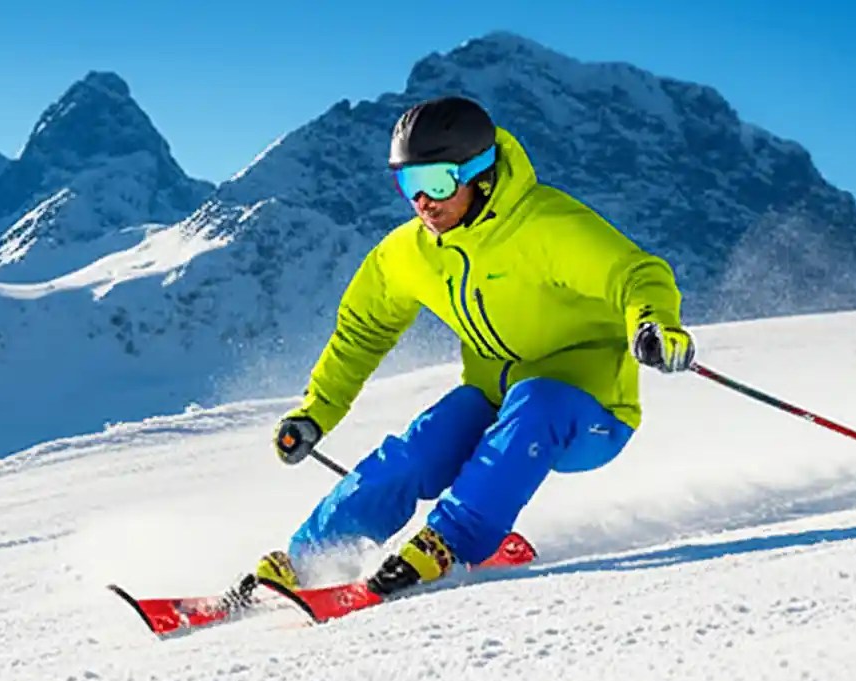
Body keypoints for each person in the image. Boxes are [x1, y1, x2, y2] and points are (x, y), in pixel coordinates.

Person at [247, 96, 694, 599]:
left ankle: (450, 541)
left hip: (589, 412)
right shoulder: (407, 253)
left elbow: (635, 274)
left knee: (537, 401)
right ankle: (313, 558)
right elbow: (361, 332)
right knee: (421, 447)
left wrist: (655, 324)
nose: (423, 202)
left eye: (436, 183)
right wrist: (315, 413)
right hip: (493, 400)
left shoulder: (544, 225)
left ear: (480, 174)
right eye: (408, 184)